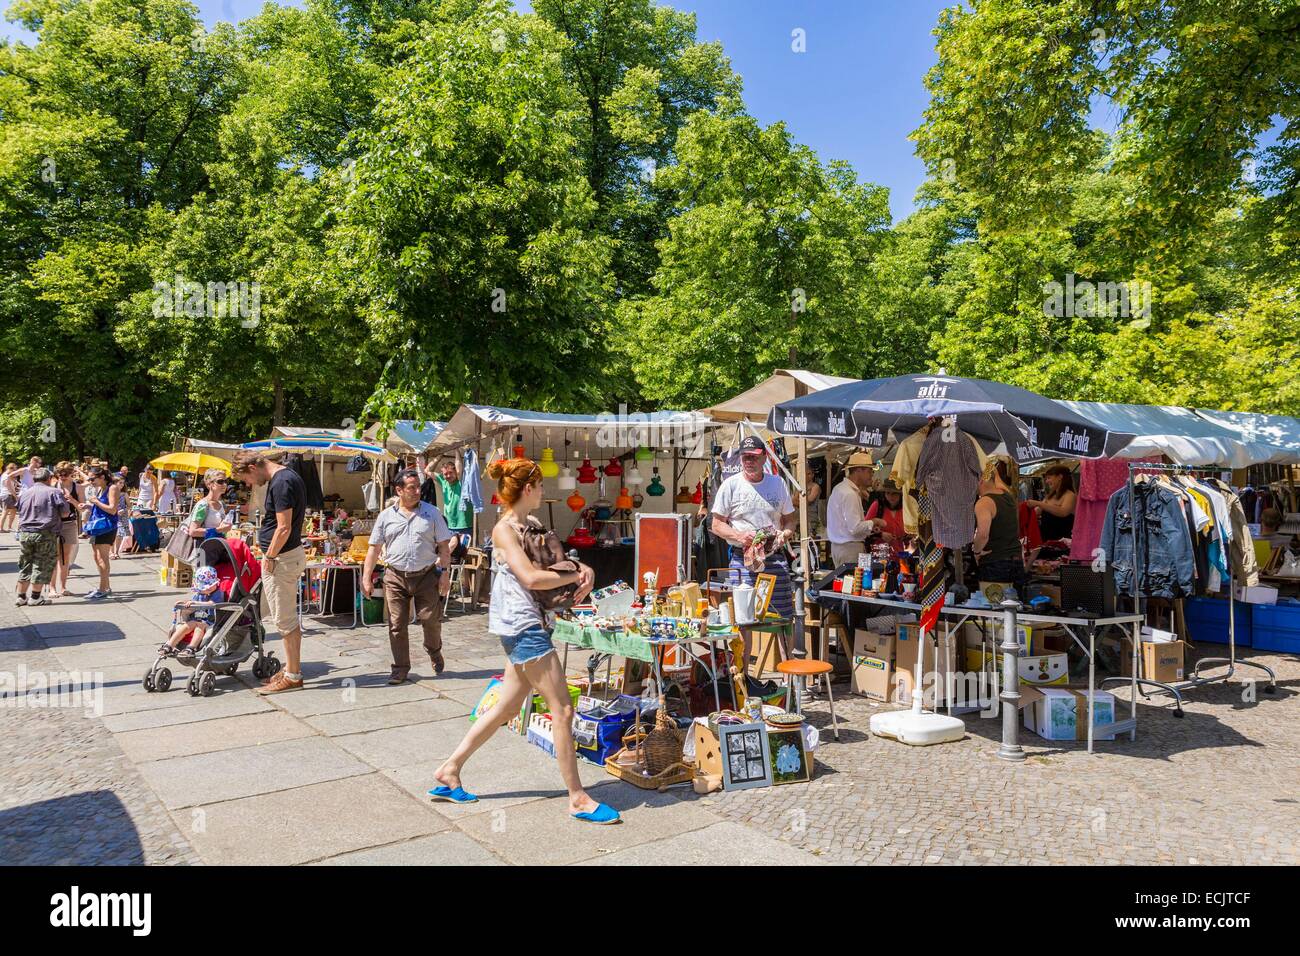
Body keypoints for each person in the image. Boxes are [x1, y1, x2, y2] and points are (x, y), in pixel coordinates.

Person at [429, 457, 616, 824]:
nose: (544, 491)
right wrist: (574, 575)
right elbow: (531, 578)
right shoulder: (504, 530)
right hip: (522, 625)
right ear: (528, 489)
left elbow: (556, 564)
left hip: (531, 622)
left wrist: (582, 569)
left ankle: (449, 771)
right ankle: (577, 798)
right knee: (562, 710)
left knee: (507, 708)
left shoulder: (530, 524)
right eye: (541, 485)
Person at [710, 435, 797, 690]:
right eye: (745, 456)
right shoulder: (730, 485)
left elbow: (790, 520)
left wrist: (785, 535)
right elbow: (716, 524)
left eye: (754, 456)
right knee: (743, 621)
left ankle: (790, 686)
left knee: (784, 619)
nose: (749, 461)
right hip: (742, 559)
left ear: (764, 457)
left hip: (774, 559)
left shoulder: (777, 483)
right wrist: (739, 536)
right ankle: (742, 683)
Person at [362, 468, 453, 684]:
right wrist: (366, 577)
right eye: (411, 487)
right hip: (395, 576)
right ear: (399, 490)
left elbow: (444, 547)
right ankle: (401, 668)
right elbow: (374, 549)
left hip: (426, 575)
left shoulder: (432, 513)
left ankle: (434, 650)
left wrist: (445, 574)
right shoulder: (386, 516)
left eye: (418, 487)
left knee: (430, 619)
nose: (417, 491)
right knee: (396, 624)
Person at [232, 451, 308, 694]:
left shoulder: (281, 482)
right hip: (286, 556)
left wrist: (271, 556)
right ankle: (289, 669)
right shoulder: (287, 477)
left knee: (284, 619)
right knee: (281, 616)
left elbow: (284, 527)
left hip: (282, 559)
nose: (247, 484)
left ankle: (293, 675)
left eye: (245, 478)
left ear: (253, 467)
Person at [14, 468, 69, 607]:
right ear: (49, 479)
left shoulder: (25, 493)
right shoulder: (54, 492)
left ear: (34, 479)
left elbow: (19, 512)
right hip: (45, 533)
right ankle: (35, 597)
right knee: (41, 563)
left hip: (25, 533)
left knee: (25, 563)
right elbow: (65, 514)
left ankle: (21, 597)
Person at [973, 457, 1027, 591]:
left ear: (980, 480)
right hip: (1016, 560)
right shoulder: (1008, 496)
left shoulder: (983, 502)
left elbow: (983, 534)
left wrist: (976, 551)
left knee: (994, 607)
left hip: (995, 562)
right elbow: (998, 482)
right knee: (1015, 606)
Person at [825, 451, 880, 568]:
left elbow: (847, 526)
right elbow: (855, 528)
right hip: (849, 549)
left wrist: (868, 528)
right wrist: (874, 521)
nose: (872, 475)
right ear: (859, 470)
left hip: (841, 547)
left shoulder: (840, 489)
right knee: (853, 584)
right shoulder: (849, 494)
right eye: (869, 471)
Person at [161, 565, 224, 657]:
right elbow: (191, 602)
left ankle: (191, 648)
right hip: (196, 618)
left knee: (199, 628)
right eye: (204, 587)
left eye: (210, 585)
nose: (208, 588)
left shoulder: (218, 593)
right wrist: (184, 603)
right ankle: (169, 645)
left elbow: (212, 603)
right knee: (186, 626)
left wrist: (196, 602)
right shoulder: (199, 594)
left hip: (210, 620)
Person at [80, 466, 119, 600]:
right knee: (96, 557)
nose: (90, 481)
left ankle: (103, 589)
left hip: (106, 527)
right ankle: (105, 586)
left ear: (102, 477)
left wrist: (95, 501)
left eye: (92, 479)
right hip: (98, 527)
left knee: (102, 558)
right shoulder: (100, 489)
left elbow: (112, 510)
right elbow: (103, 507)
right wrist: (89, 506)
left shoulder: (112, 488)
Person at [52, 462, 84, 597]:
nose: (62, 477)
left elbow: (82, 509)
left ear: (72, 474)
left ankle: (63, 587)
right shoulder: (53, 486)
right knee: (53, 557)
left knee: (65, 558)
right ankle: (52, 588)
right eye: (60, 474)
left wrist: (71, 500)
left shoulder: (78, 488)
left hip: (70, 524)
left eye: (65, 474)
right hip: (53, 525)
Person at [431, 458, 473, 559]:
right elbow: (427, 470)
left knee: (463, 554)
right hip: (449, 526)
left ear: (455, 472)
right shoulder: (444, 482)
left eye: (451, 472)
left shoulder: (461, 482)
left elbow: (459, 469)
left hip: (464, 525)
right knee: (447, 551)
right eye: (445, 474)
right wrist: (439, 456)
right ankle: (442, 567)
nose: (448, 476)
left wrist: (457, 450)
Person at [1026, 464, 1076, 542]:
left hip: (1062, 543)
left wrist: (1039, 503)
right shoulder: (1049, 496)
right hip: (1045, 540)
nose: (1046, 481)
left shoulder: (1070, 495)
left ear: (1060, 477)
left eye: (1049, 478)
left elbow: (1063, 512)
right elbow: (1037, 512)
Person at [183, 469, 234, 541]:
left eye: (226, 481)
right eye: (220, 481)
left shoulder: (221, 504)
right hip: (204, 548)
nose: (224, 484)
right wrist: (219, 530)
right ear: (209, 484)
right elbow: (193, 531)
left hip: (217, 545)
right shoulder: (202, 505)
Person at [865, 478, 906, 543]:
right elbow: (865, 527)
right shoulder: (877, 506)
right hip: (878, 550)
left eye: (894, 493)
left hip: (900, 551)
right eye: (887, 493)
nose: (890, 496)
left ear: (900, 495)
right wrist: (880, 534)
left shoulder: (905, 509)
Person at [1, 463, 20, 532]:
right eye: (14, 470)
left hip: (9, 495)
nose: (15, 472)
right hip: (7, 495)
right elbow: (9, 488)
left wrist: (19, 484)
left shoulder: (8, 475)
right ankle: (1, 528)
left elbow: (14, 481)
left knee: (14, 510)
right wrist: (16, 496)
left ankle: (9, 526)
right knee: (5, 512)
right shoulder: (6, 476)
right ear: (10, 469)